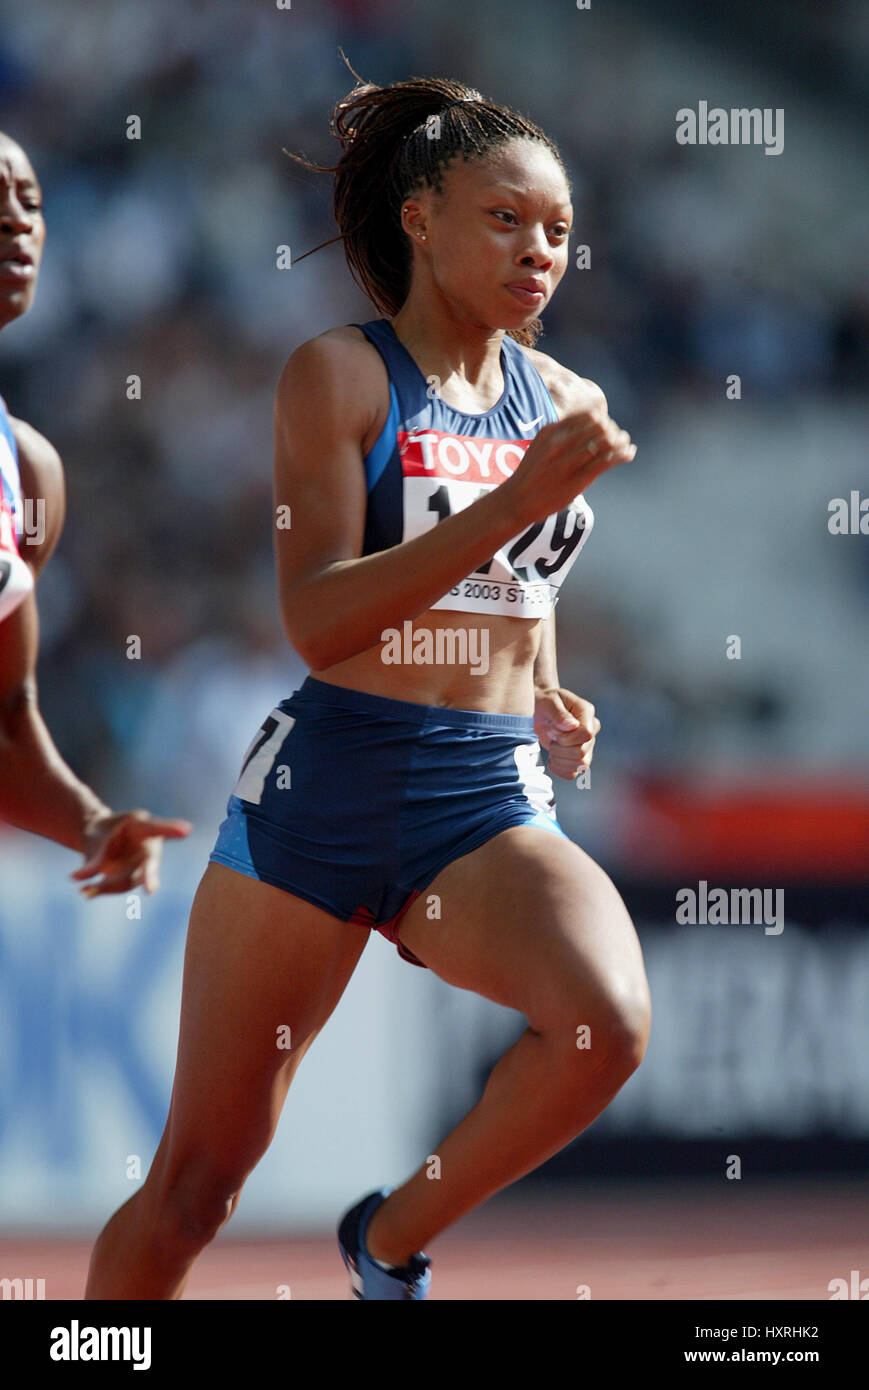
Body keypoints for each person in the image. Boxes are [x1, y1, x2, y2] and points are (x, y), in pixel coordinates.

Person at [85, 68, 651, 1301]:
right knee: (195, 1184)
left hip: (484, 802)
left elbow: (519, 581)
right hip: (326, 788)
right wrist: (518, 499)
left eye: (557, 229)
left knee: (604, 1027)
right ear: (419, 218)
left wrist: (544, 686)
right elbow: (317, 618)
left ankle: (386, 1240)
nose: (538, 250)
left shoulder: (564, 402)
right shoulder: (337, 376)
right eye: (505, 218)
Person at [0, 130, 191, 895]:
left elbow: (9, 721)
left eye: (32, 201)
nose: (18, 221)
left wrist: (90, 824)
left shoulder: (27, 470)